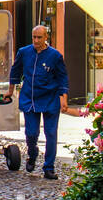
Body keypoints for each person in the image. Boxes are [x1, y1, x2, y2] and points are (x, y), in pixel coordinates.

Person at [9, 24, 70, 180]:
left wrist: (64, 98)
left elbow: (62, 77)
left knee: (50, 134)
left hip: (50, 98)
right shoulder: (24, 52)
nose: (36, 40)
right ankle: (33, 153)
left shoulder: (55, 56)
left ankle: (48, 167)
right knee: (31, 133)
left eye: (39, 37)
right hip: (30, 97)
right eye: (34, 37)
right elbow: (15, 70)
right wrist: (10, 91)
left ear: (46, 37)